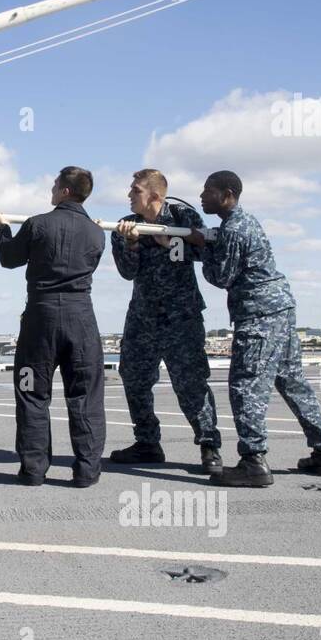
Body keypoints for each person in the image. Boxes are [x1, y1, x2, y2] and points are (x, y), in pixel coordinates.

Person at [186, 170, 321, 487]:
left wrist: (200, 246)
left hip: (259, 315)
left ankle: (253, 461)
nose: (202, 196)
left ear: (227, 194)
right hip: (280, 308)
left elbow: (220, 277)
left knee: (245, 385)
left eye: (208, 191)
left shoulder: (233, 230)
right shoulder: (244, 222)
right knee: (292, 382)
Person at [0, 167, 106, 486]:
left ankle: (33, 469)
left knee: (32, 392)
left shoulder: (38, 224)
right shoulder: (97, 233)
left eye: (55, 185)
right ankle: (86, 470)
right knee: (85, 395)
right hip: (82, 320)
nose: (51, 190)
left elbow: (9, 258)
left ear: (66, 191)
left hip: (40, 321)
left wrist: (2, 228)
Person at [109, 169, 222, 472]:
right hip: (143, 315)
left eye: (135, 190)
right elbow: (127, 272)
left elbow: (206, 251)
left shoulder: (182, 216)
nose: (129, 195)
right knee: (133, 376)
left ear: (155, 196)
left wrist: (169, 243)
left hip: (180, 315)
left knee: (190, 381)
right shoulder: (124, 226)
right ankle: (147, 442)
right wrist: (130, 245)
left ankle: (209, 445)